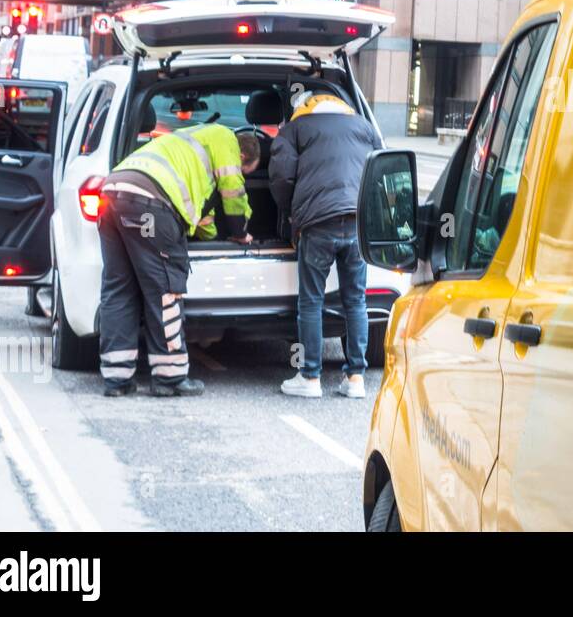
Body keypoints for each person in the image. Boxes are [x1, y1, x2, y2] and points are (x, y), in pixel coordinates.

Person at [98, 123, 262, 397]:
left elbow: (202, 219)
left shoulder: (190, 143)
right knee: (165, 290)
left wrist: (209, 235)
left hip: (113, 192)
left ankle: (117, 378)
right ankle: (169, 378)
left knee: (119, 289)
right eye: (246, 172)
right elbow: (233, 192)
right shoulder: (226, 139)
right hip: (150, 202)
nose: (240, 175)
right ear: (243, 157)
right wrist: (240, 232)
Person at [269, 91, 378, 399]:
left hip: (318, 223)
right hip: (357, 221)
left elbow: (281, 177)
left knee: (311, 302)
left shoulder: (294, 129)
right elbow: (380, 170)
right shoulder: (364, 127)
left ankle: (310, 376)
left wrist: (291, 213)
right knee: (355, 300)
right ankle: (356, 378)